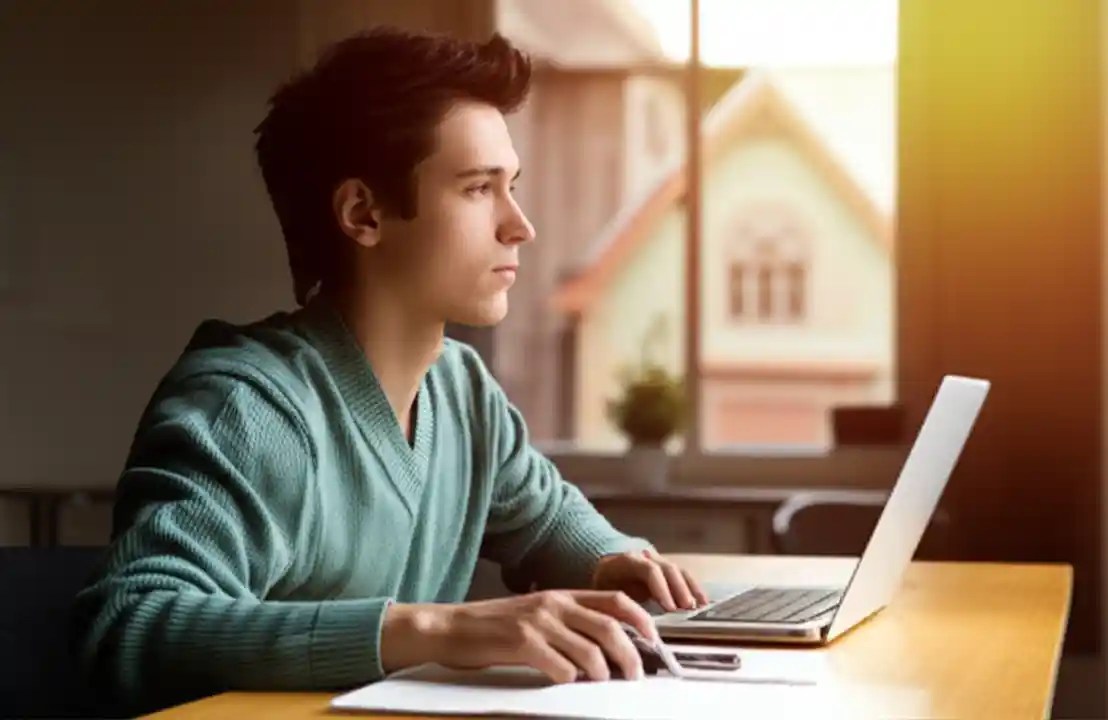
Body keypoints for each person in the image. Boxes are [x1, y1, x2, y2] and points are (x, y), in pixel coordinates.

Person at [69, 27, 707, 714]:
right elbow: (133, 625)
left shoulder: (461, 389)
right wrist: (435, 628)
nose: (519, 225)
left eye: (511, 186)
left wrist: (614, 562)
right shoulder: (247, 408)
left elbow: (547, 520)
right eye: (477, 189)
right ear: (363, 213)